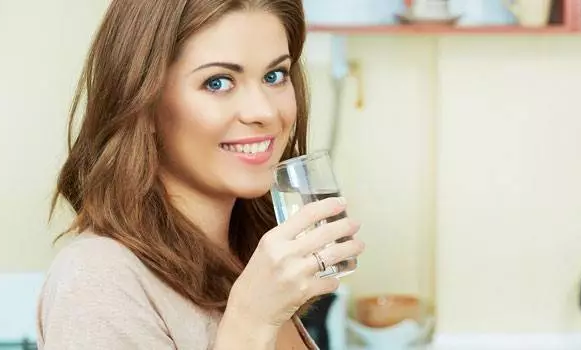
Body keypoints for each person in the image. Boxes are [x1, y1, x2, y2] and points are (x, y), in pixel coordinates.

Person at [36, 0, 365, 349]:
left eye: (274, 76)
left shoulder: (242, 262)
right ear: (142, 103)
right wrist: (249, 324)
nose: (264, 111)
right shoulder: (96, 281)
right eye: (218, 82)